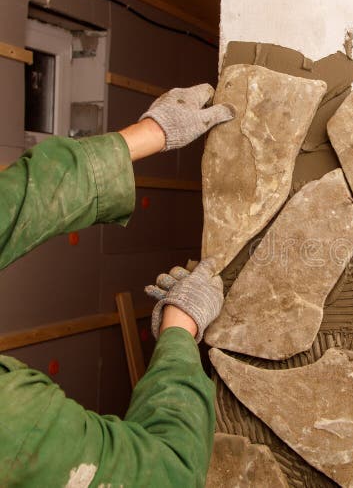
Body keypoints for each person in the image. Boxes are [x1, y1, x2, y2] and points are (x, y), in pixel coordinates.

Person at [0, 84, 234, 487]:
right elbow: (168, 472)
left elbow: (13, 202)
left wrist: (144, 136)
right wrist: (180, 330)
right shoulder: (13, 429)